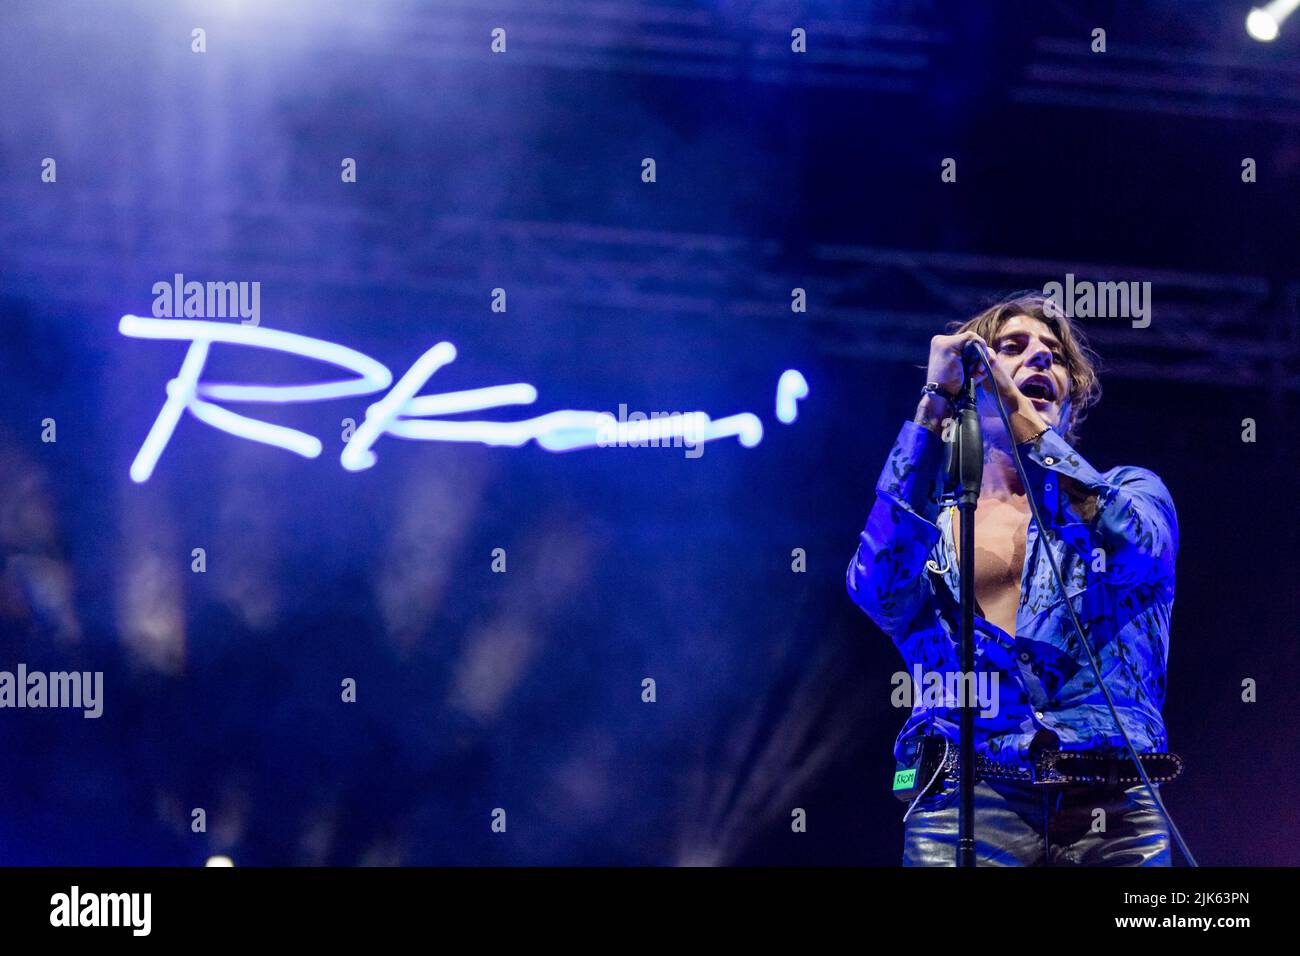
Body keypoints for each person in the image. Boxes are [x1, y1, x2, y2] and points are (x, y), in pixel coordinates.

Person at [846, 291, 1180, 866]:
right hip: (966, 797)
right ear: (969, 385)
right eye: (1011, 349)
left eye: (1053, 354)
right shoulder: (937, 525)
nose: (1038, 361)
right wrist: (932, 405)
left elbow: (1136, 550)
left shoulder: (1130, 491)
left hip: (1112, 803)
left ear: (1073, 395)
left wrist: (1016, 409)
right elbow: (877, 588)